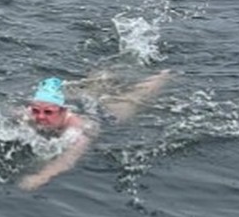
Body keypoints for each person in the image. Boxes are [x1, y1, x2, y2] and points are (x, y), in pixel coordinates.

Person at [17, 70, 171, 191]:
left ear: (63, 111)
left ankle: (166, 73)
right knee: (99, 78)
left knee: (140, 93)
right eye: (36, 111)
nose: (40, 117)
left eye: (48, 112)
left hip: (104, 114)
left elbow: (68, 159)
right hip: (82, 102)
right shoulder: (32, 113)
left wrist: (41, 177)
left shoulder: (78, 131)